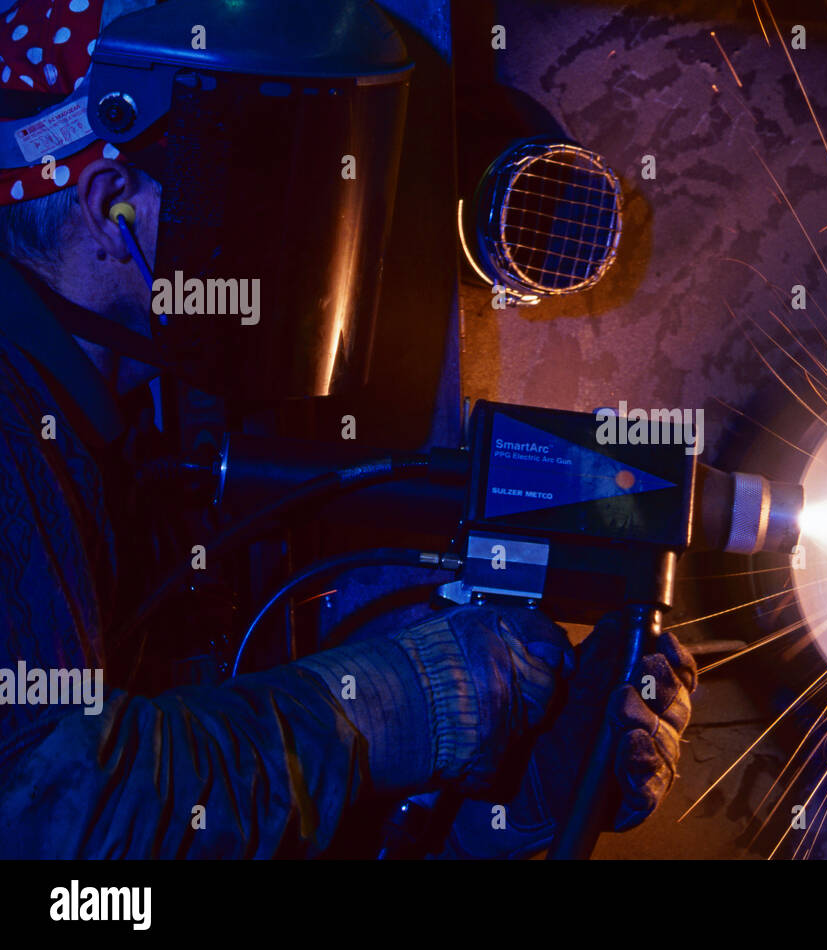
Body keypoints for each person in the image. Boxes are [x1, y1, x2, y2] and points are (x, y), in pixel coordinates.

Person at [0, 0, 694, 858]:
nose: (289, 238)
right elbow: (50, 820)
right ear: (112, 209)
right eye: (253, 190)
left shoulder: (122, 440)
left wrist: (532, 789)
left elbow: (228, 813)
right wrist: (398, 702)